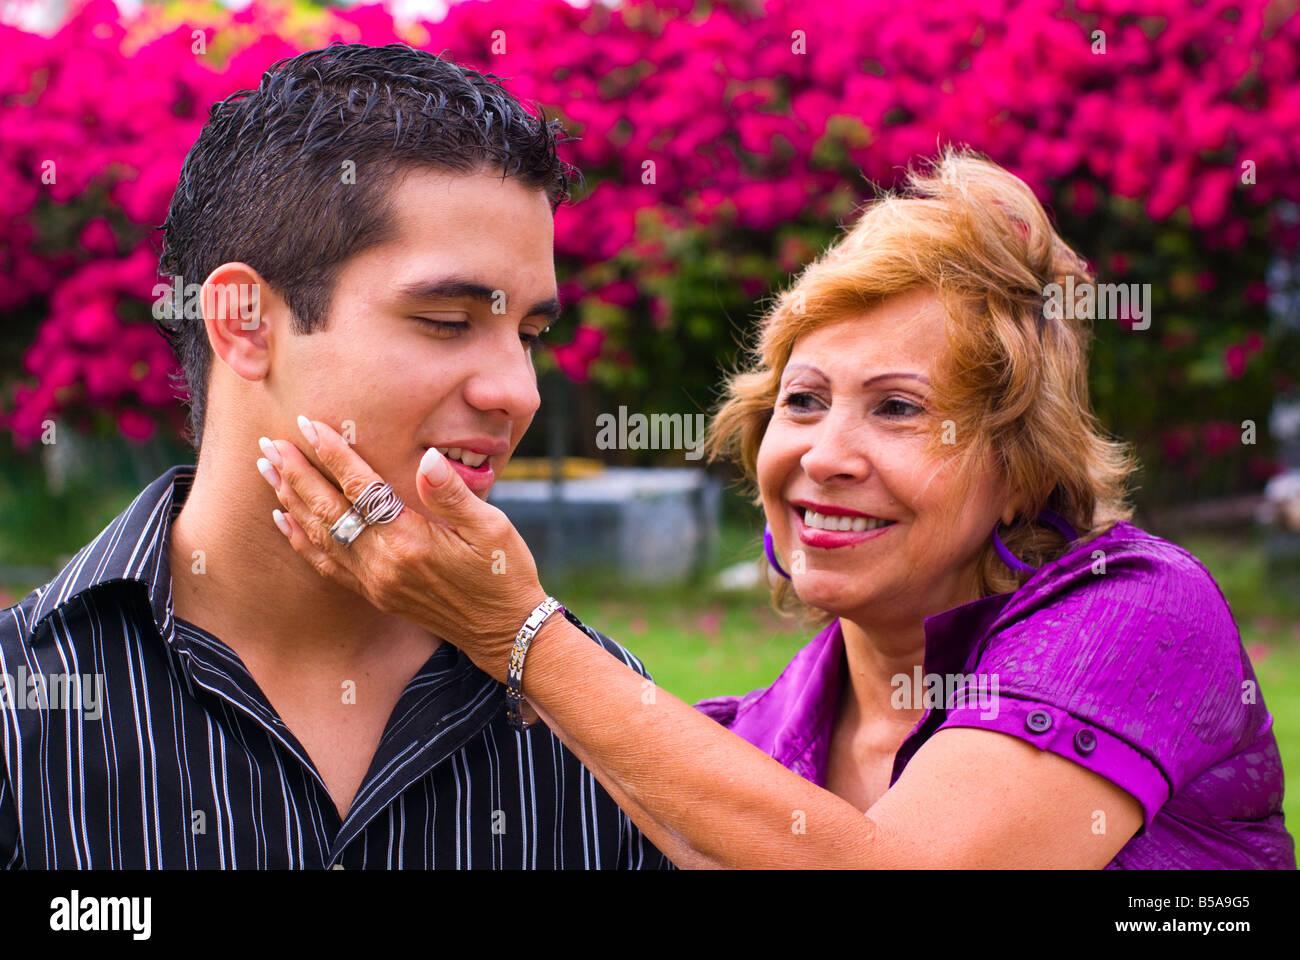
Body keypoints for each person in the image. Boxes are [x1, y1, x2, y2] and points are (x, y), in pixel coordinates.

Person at [261, 148, 1295, 869]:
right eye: (800, 403)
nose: (822, 456)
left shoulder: (1137, 616)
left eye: (898, 409)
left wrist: (515, 630)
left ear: (1020, 471)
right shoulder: (759, 741)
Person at [0, 43, 672, 869]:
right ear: (245, 323)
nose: (519, 392)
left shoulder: (600, 711)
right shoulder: (22, 706)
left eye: (529, 334)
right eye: (447, 323)